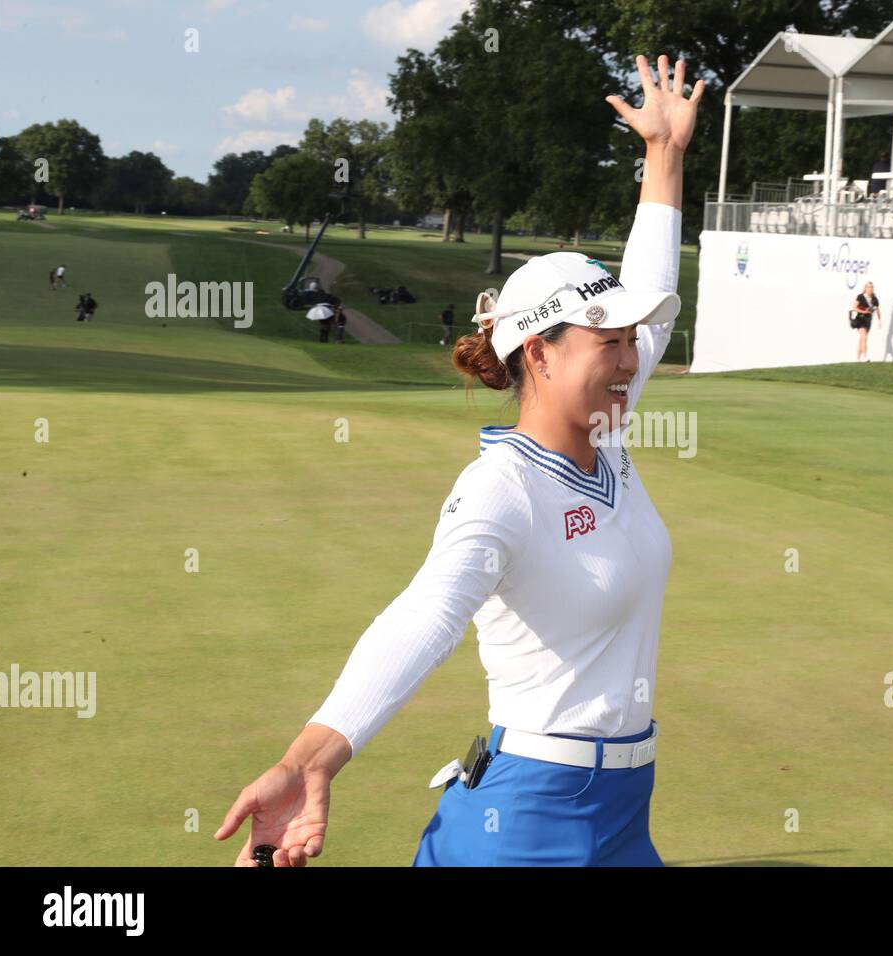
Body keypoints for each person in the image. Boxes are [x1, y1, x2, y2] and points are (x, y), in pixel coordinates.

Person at [215, 53, 703, 868]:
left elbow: (651, 277)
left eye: (631, 341)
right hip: (529, 820)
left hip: (622, 813)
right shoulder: (501, 488)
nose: (630, 359)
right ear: (538, 355)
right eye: (607, 342)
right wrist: (308, 762)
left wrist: (663, 156)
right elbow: (424, 619)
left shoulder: (608, 433)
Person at [851, 281, 882, 362]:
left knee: (862, 339)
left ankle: (858, 358)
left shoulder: (875, 299)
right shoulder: (860, 297)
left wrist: (879, 320)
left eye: (871, 287)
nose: (870, 289)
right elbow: (854, 307)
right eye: (868, 287)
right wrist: (864, 311)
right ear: (865, 288)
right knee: (864, 337)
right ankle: (865, 356)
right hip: (860, 319)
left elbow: (877, 310)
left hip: (868, 320)